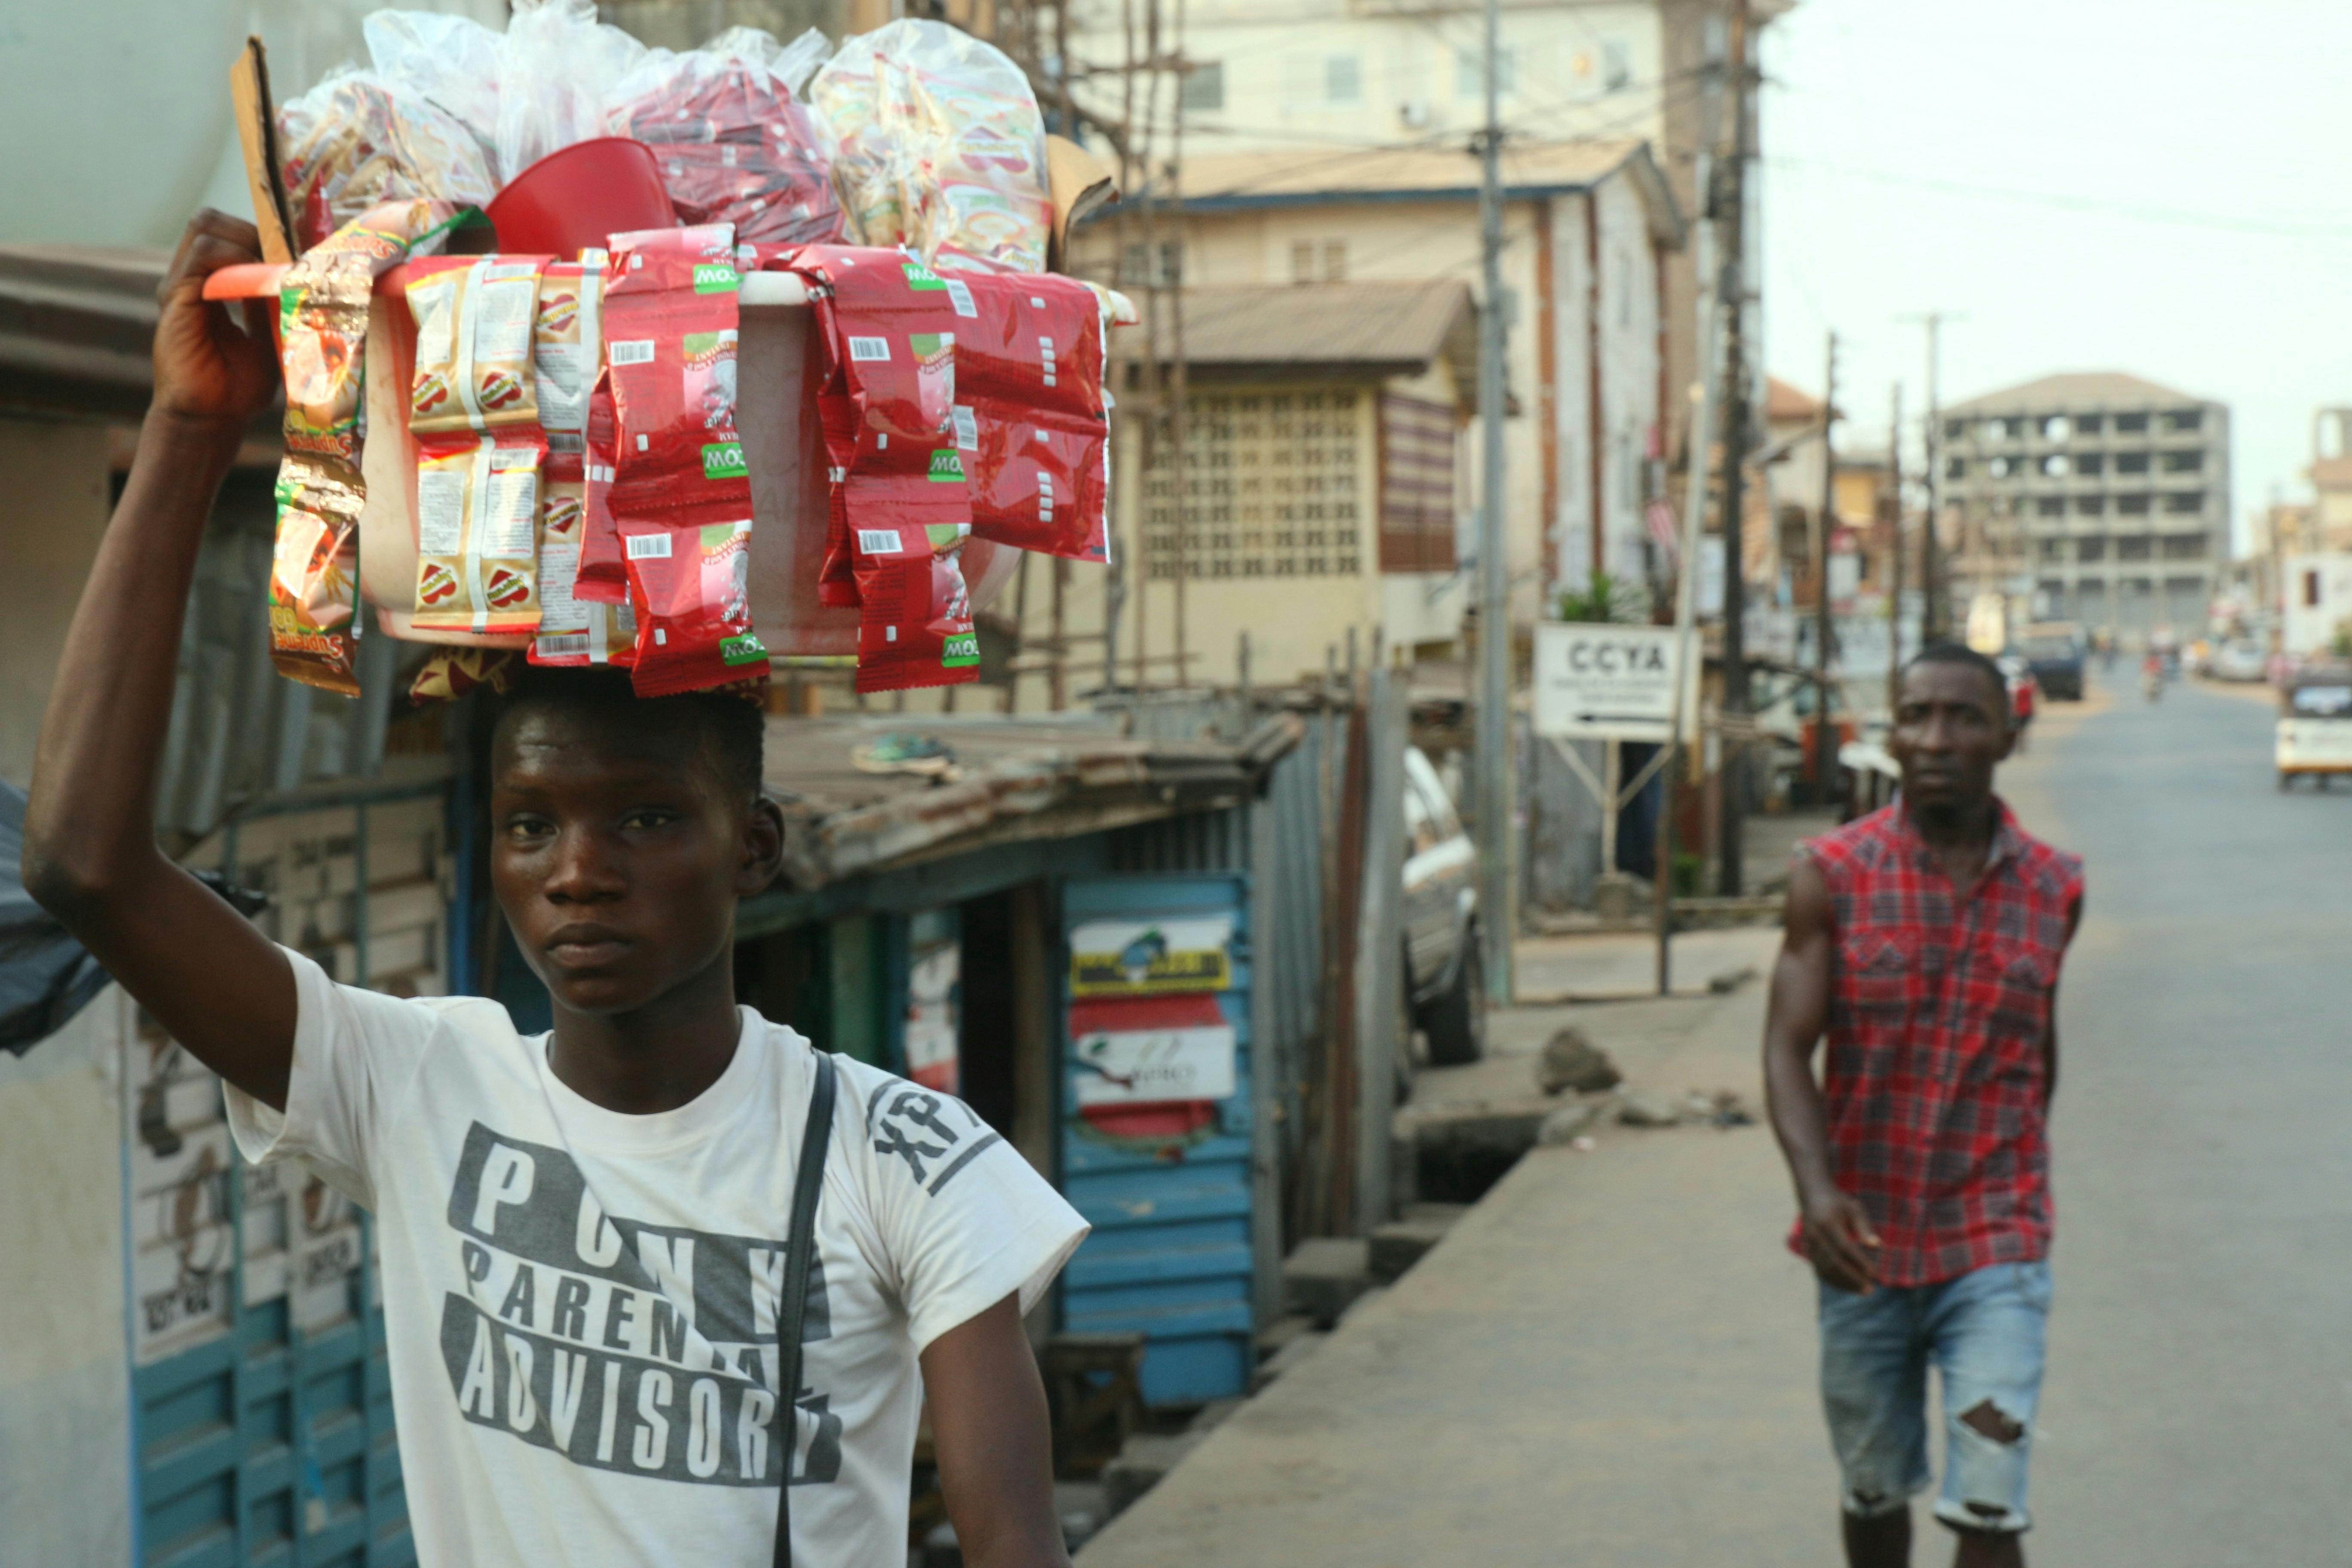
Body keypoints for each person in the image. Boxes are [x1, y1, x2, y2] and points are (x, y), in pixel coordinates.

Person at [21, 211, 1086, 1568]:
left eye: (646, 819)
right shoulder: (415, 1090)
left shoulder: (897, 1162)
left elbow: (1014, 1544)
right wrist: (187, 428)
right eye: (532, 825)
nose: (580, 873)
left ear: (752, 848)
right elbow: (83, 866)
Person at [1761, 643, 2082, 1568]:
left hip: (1994, 1244)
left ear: (2006, 736)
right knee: (1872, 1486)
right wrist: (1816, 1190)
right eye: (1917, 716)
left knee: (1989, 1496)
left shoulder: (2056, 887)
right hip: (1861, 1242)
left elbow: (2036, 1051)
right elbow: (1788, 1045)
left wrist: (2012, 1167)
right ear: (1892, 733)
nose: (1937, 738)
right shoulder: (1832, 875)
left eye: (1965, 718)